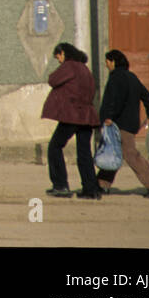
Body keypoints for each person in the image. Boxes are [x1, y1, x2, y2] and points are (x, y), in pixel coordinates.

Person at [95, 49, 149, 197]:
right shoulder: (132, 77)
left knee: (129, 154)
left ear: (113, 62)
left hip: (119, 123)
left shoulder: (116, 78)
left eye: (107, 62)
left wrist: (110, 116)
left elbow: (115, 100)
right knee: (112, 153)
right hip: (128, 123)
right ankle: (101, 184)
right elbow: (146, 96)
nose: (106, 65)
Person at [41, 43, 101, 200]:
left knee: (55, 147)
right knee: (84, 153)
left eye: (58, 57)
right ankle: (90, 188)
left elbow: (53, 80)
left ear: (63, 53)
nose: (59, 61)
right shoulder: (84, 69)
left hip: (72, 115)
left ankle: (60, 185)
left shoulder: (69, 66)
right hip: (87, 116)